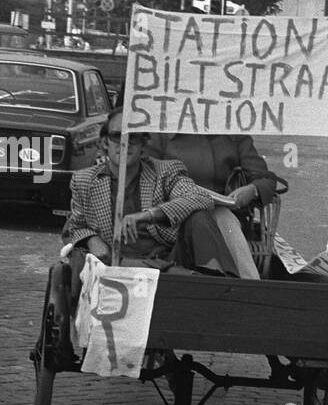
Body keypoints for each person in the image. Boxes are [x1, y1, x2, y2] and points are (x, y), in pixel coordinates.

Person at [61, 109, 236, 282]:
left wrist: (149, 215)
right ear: (105, 142)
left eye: (133, 137)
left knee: (200, 217)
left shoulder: (165, 171)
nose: (125, 143)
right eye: (117, 136)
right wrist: (92, 240)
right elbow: (75, 226)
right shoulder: (84, 180)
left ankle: (221, 285)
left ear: (143, 144)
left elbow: (200, 198)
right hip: (113, 264)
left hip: (164, 263)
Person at [145, 131, 281, 280]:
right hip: (174, 221)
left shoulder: (234, 135)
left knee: (222, 215)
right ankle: (249, 284)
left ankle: (245, 285)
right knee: (216, 217)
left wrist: (252, 190)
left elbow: (266, 179)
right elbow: (145, 175)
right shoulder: (161, 135)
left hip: (227, 214)